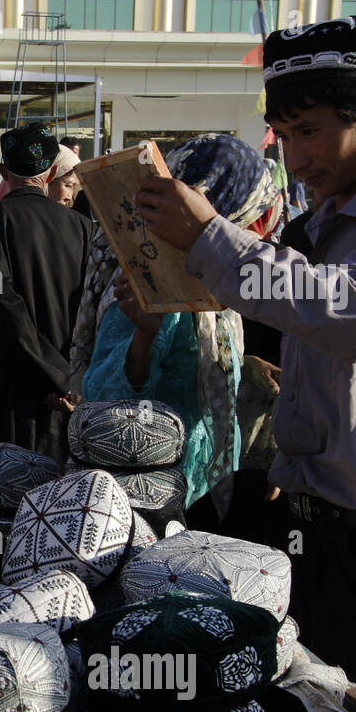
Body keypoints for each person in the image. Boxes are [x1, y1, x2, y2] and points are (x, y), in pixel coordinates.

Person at [131, 16, 356, 712]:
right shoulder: (320, 221)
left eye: (309, 131)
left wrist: (209, 238)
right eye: (283, 137)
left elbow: (354, 317)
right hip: (310, 521)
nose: (294, 155)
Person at [81, 133, 284, 520]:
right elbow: (100, 395)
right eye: (254, 214)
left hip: (202, 483)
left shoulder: (211, 273)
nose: (257, 230)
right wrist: (144, 334)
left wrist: (248, 366)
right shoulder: (155, 274)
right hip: (152, 496)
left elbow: (192, 361)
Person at [0, 124, 94, 460]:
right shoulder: (81, 228)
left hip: (6, 385)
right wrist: (65, 376)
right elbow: (88, 307)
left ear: (3, 172)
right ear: (51, 173)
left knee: (2, 487)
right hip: (60, 390)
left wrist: (52, 371)